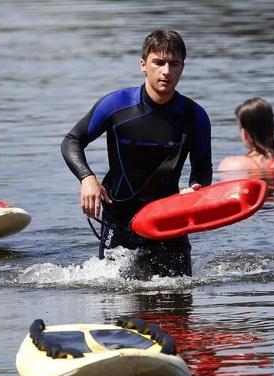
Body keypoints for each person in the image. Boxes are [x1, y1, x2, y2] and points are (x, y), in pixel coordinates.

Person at [61, 29, 212, 278]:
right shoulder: (116, 105)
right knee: (113, 301)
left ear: (182, 68)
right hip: (120, 218)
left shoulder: (195, 116)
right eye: (159, 62)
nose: (166, 71)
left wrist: (195, 192)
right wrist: (87, 178)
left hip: (169, 219)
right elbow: (72, 141)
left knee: (179, 303)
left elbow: (202, 170)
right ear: (143, 64)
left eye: (174, 64)